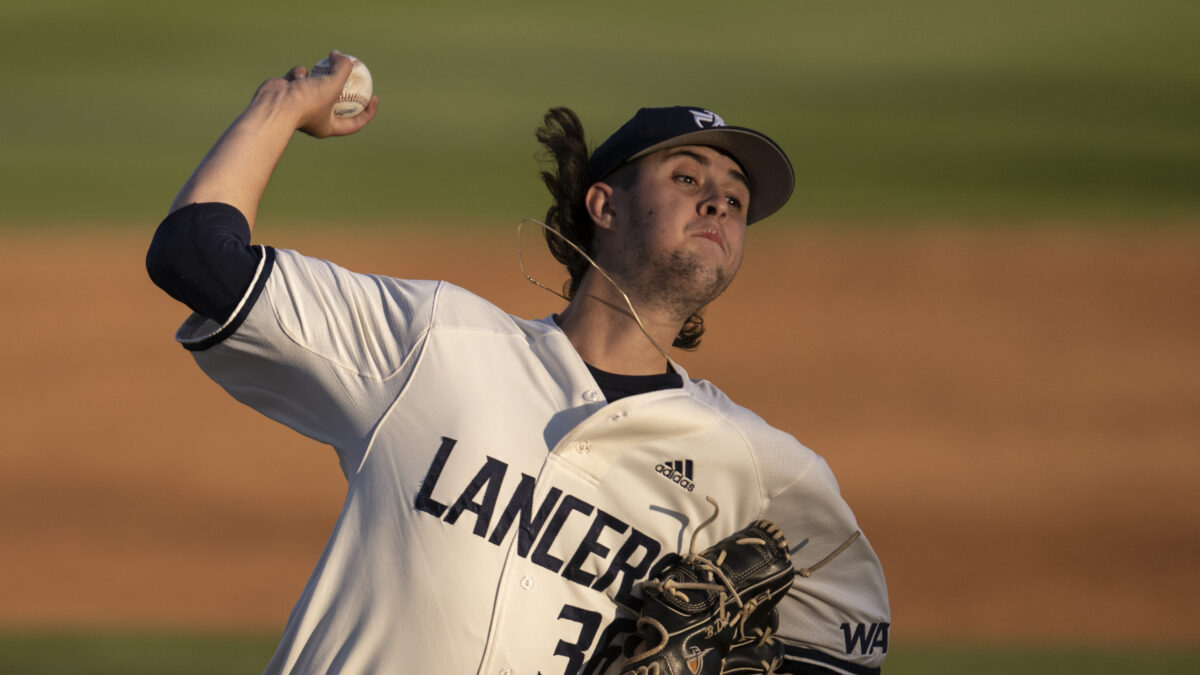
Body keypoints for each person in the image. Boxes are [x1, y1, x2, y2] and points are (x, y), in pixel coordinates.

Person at [147, 51, 890, 675]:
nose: (720, 204)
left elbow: (845, 640)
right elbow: (196, 258)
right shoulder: (436, 340)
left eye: (736, 198)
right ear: (603, 205)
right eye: (689, 179)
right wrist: (279, 106)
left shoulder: (760, 469)